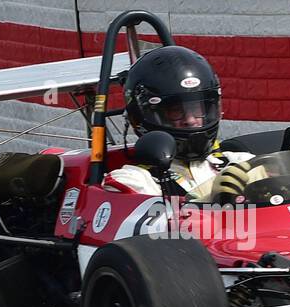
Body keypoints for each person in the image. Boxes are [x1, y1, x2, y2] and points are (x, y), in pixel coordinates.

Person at [107, 45, 251, 201]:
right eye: (176, 112)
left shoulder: (238, 162)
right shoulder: (135, 180)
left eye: (197, 109)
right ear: (140, 117)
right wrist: (213, 197)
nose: (190, 120)